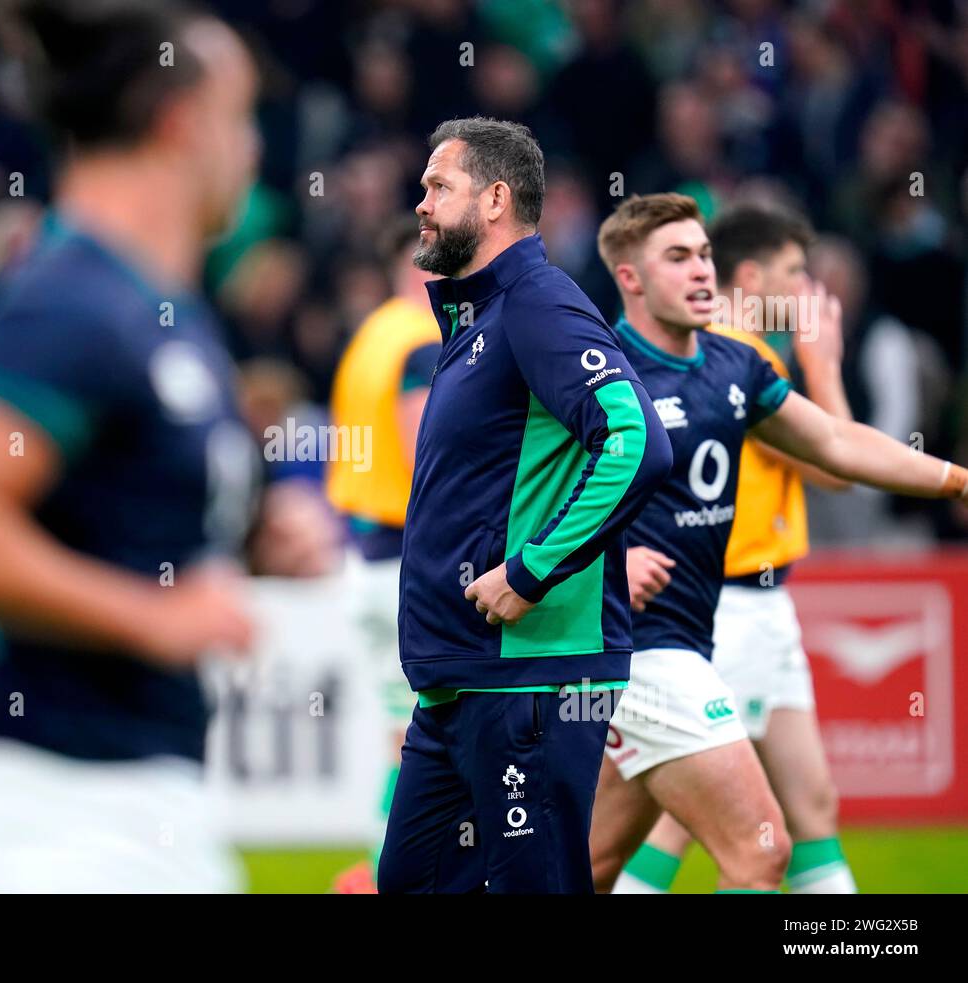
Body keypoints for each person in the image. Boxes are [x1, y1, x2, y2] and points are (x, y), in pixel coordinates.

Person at [0, 0, 331, 893]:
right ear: (181, 123)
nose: (253, 148)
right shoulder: (71, 299)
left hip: (137, 803)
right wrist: (153, 615)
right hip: (56, 812)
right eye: (240, 117)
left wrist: (255, 536)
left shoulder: (162, 308)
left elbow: (115, 508)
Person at [587, 193, 968, 892]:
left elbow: (835, 444)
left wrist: (954, 480)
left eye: (704, 254)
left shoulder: (737, 364)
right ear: (630, 278)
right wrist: (605, 564)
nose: (701, 270)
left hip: (700, 626)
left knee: (595, 860)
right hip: (642, 642)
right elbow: (513, 496)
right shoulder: (594, 374)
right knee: (759, 847)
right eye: (678, 257)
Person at [377, 117, 673, 895]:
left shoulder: (537, 302)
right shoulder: (476, 318)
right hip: (462, 677)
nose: (421, 203)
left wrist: (530, 569)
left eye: (438, 186)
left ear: (495, 199)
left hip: (532, 680)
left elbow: (637, 441)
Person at [615, 203, 859, 894]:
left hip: (761, 605)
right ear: (750, 276)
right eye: (794, 271)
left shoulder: (730, 350)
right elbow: (836, 467)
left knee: (809, 808)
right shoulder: (730, 357)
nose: (807, 289)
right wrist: (823, 364)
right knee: (696, 827)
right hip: (728, 605)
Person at [325, 217, 440, 892]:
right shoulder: (423, 341)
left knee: (405, 729)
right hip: (407, 563)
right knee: (428, 733)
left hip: (366, 556)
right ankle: (379, 874)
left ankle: (376, 869)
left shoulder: (373, 334)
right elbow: (426, 456)